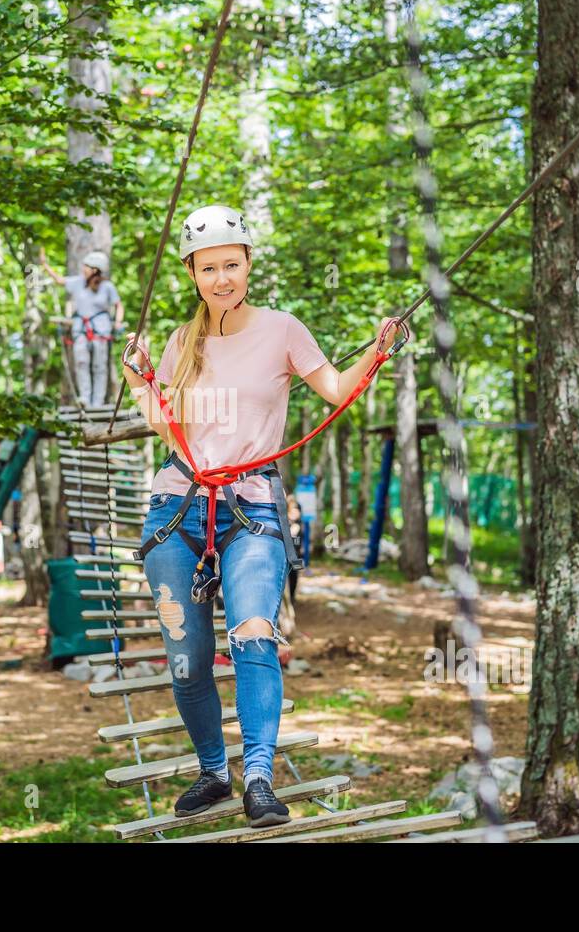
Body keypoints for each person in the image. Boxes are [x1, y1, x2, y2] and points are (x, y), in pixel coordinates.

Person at [120, 203, 400, 827]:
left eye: (233, 265)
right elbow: (168, 428)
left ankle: (258, 779)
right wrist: (142, 382)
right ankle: (214, 771)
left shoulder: (282, 329)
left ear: (248, 263)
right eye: (209, 267)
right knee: (187, 656)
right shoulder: (179, 343)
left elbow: (334, 390)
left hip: (250, 509)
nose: (223, 279)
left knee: (253, 637)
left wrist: (376, 355)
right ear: (192, 272)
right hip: (178, 508)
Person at [39, 248, 124, 407]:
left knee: (99, 366)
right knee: (81, 362)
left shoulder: (107, 287)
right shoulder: (78, 282)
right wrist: (45, 265)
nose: (83, 269)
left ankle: (97, 402)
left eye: (86, 266)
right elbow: (58, 280)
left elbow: (119, 305)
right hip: (81, 329)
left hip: (100, 330)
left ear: (95, 270)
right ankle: (85, 398)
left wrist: (118, 322)